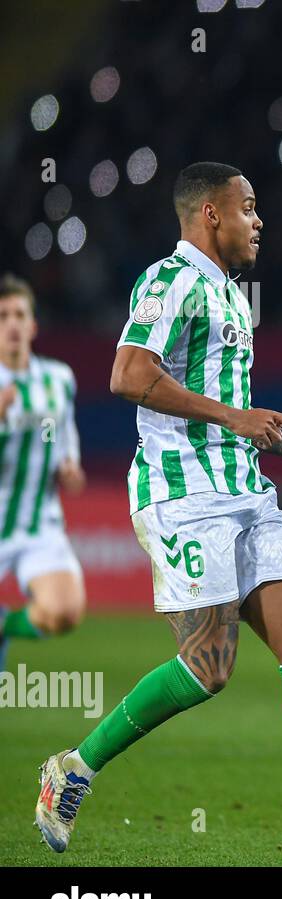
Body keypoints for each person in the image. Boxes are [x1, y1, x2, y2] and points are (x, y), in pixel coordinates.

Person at [34, 162, 282, 867]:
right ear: (209, 214)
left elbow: (237, 414)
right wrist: (230, 416)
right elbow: (127, 375)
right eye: (248, 208)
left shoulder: (228, 294)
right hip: (184, 497)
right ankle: (75, 767)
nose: (259, 221)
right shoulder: (171, 279)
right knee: (207, 668)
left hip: (247, 495)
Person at [0, 273, 86, 673]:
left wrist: (69, 466)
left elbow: (60, 434)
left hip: (38, 525)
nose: (12, 323)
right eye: (3, 316)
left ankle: (5, 625)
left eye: (19, 314)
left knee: (65, 611)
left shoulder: (57, 379)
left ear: (33, 324)